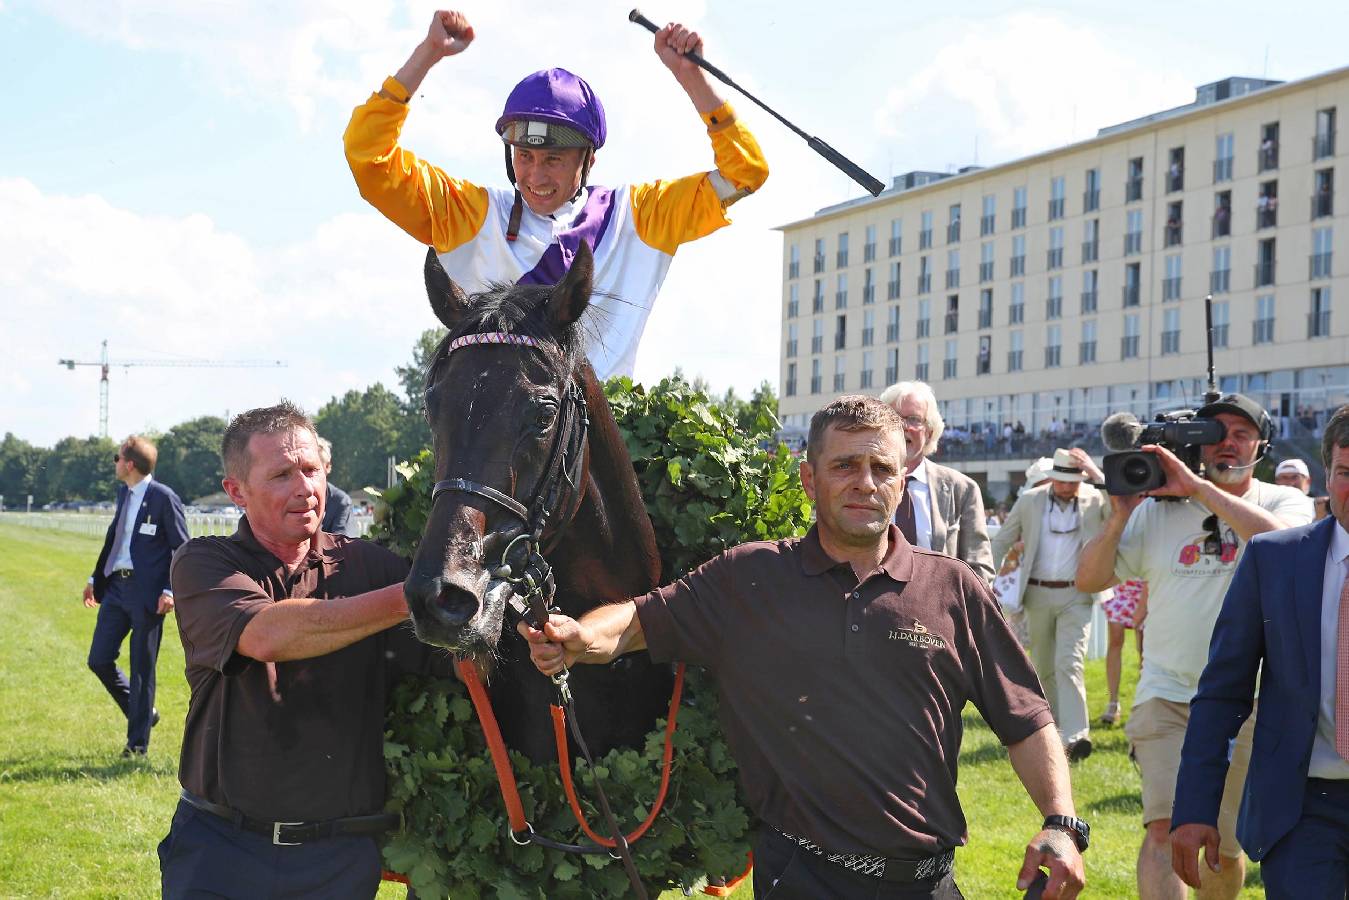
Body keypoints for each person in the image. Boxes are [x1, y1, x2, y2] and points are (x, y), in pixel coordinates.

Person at [521, 396, 1087, 899]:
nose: (865, 482)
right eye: (845, 466)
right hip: (802, 877)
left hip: (928, 882)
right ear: (808, 479)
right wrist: (580, 638)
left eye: (881, 467)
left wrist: (1061, 823)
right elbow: (638, 621)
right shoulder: (752, 578)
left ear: (901, 479)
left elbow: (1027, 717)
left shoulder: (953, 587)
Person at [345, 10, 769, 380]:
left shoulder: (640, 215)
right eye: (524, 156)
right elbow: (369, 157)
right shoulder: (468, 213)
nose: (535, 175)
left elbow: (745, 172)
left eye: (553, 159)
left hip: (601, 441)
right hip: (492, 445)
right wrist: (428, 53)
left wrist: (691, 77)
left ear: (588, 162)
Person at [159, 402, 442, 899]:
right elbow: (269, 635)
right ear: (236, 491)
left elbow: (451, 660)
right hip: (221, 851)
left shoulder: (371, 566)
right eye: (281, 474)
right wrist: (414, 594)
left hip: (339, 859)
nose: (303, 488)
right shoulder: (204, 562)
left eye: (311, 470)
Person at [1076, 392, 1314, 900]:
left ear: (1263, 445)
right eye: (1215, 434)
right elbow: (1089, 579)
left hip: (1248, 702)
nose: (1227, 444)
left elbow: (1285, 552)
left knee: (1219, 849)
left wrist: (1201, 492)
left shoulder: (1281, 500)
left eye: (1241, 434)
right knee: (1163, 831)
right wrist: (1120, 515)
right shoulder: (1156, 511)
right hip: (1165, 693)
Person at [1171, 405, 1349, 898]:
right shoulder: (1275, 559)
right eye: (1346, 473)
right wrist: (1193, 809)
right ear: (1327, 474)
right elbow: (1222, 692)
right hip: (1302, 805)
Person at [992, 447, 1111, 762]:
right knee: (1044, 666)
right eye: (1061, 480)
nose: (1067, 487)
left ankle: (1076, 736)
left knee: (1069, 662)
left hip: (1078, 593)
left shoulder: (1095, 498)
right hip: (1037, 593)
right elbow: (1002, 538)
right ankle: (1054, 732)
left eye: (1073, 481)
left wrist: (1098, 476)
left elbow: (1121, 514)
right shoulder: (1031, 500)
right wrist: (987, 577)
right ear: (1051, 477)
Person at [83, 435, 189, 756]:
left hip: (148, 596)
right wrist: (95, 577)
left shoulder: (163, 498)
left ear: (129, 464)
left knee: (143, 668)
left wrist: (170, 590)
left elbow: (182, 548)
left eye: (117, 458)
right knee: (99, 659)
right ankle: (143, 712)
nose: (115, 463)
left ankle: (137, 744)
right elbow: (114, 540)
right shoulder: (124, 494)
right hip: (116, 589)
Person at [879, 380, 995, 583]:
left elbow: (979, 564)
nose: (904, 426)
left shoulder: (962, 489)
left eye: (914, 419)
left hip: (938, 607)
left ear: (930, 432)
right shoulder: (865, 483)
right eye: (895, 418)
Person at [1098, 578, 1145, 726]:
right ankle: (1113, 703)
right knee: (1115, 639)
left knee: (1144, 648)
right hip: (1120, 583)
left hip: (1145, 586)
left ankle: (1144, 703)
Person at [315, 436, 359, 537]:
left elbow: (341, 545)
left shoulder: (341, 501)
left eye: (314, 468)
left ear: (327, 466)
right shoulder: (295, 496)